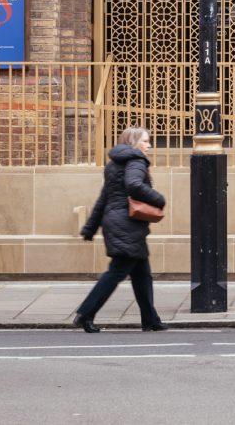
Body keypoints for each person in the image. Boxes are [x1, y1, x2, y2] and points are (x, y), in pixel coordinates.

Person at [74, 125, 167, 333]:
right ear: (134, 143)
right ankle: (85, 313)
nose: (149, 145)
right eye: (145, 141)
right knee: (116, 272)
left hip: (115, 222)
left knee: (142, 275)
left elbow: (104, 198)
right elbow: (134, 185)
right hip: (128, 224)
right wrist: (158, 199)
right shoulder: (136, 161)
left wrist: (90, 227)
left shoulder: (114, 163)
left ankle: (150, 319)